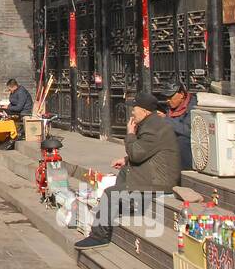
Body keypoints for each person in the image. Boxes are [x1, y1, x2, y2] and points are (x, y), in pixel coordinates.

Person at [76, 91, 180, 248]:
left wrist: (130, 134)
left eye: (134, 108)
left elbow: (137, 154)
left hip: (159, 181)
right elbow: (146, 150)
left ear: (144, 111)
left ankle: (99, 236)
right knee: (125, 171)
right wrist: (125, 160)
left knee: (111, 193)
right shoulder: (151, 124)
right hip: (153, 174)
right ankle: (125, 206)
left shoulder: (154, 128)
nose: (132, 111)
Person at [161, 83, 196, 172]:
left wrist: (166, 119)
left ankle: (185, 171)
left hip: (190, 144)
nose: (168, 100)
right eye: (166, 98)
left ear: (181, 94)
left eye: (171, 97)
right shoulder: (171, 107)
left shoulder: (193, 107)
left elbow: (188, 130)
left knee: (181, 141)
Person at [3, 78, 33, 150]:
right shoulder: (14, 92)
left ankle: (14, 137)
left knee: (9, 116)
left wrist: (8, 107)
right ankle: (8, 135)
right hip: (16, 109)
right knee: (3, 113)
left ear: (14, 86)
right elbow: (12, 102)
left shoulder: (21, 92)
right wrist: (7, 107)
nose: (9, 91)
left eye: (10, 89)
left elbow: (19, 107)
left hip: (24, 111)